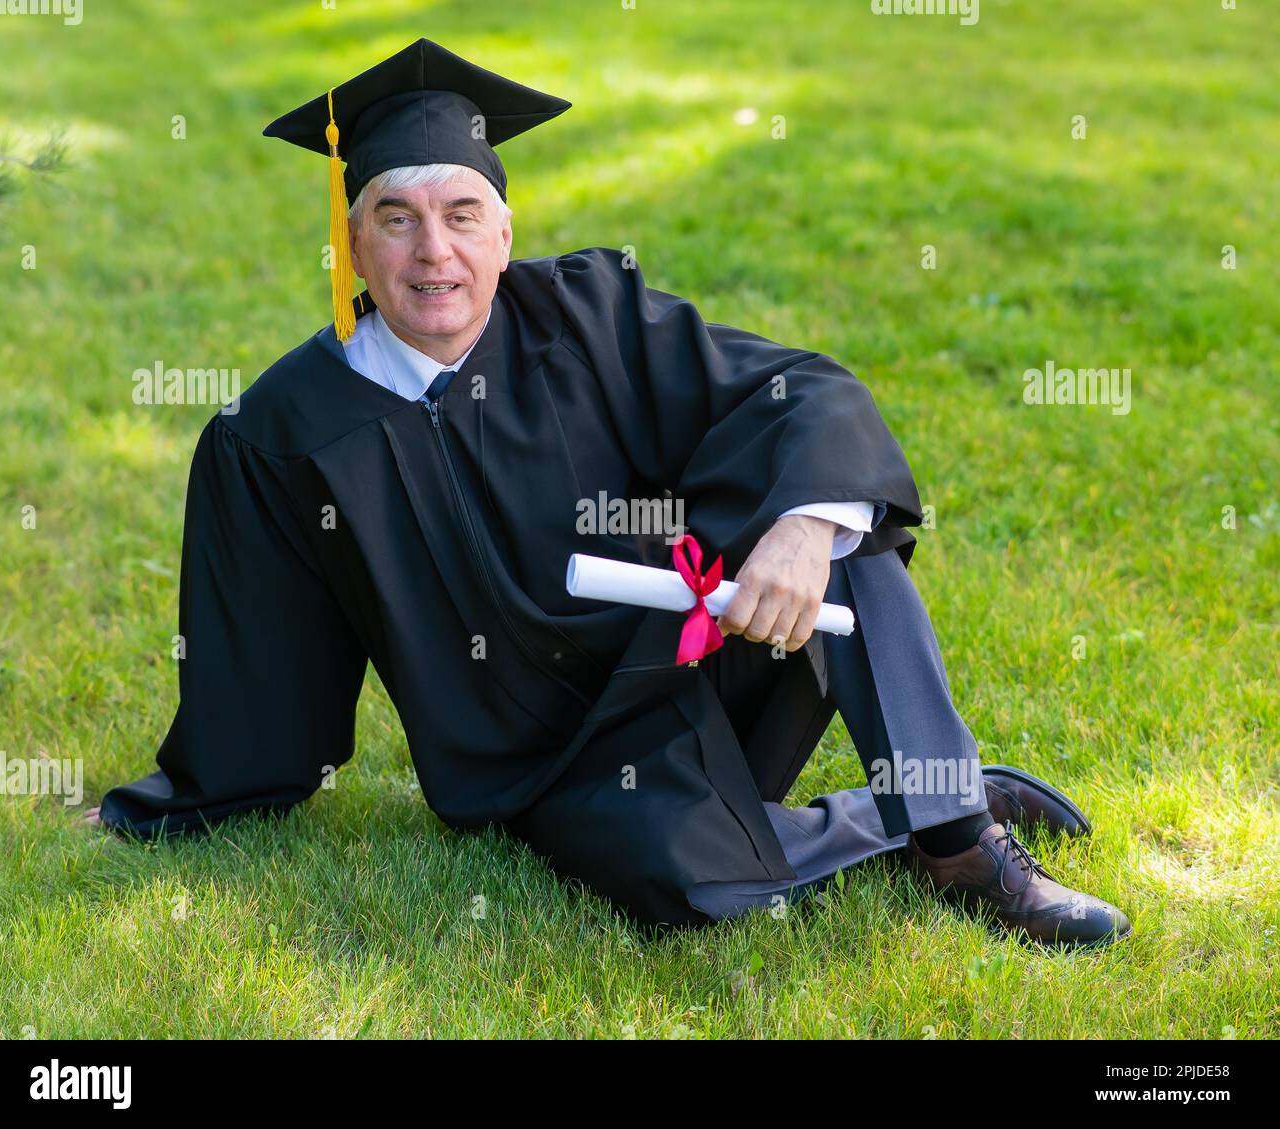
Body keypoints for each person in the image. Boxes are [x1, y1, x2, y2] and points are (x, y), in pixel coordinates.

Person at [88, 38, 1130, 948]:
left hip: (698, 650)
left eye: (461, 213)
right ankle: (899, 812)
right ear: (351, 239)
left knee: (831, 513)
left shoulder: (586, 314)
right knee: (686, 884)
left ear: (504, 230)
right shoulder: (278, 434)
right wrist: (183, 798)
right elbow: (264, 665)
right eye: (393, 218)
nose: (432, 251)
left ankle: (957, 839)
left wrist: (800, 528)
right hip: (544, 766)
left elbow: (799, 391)